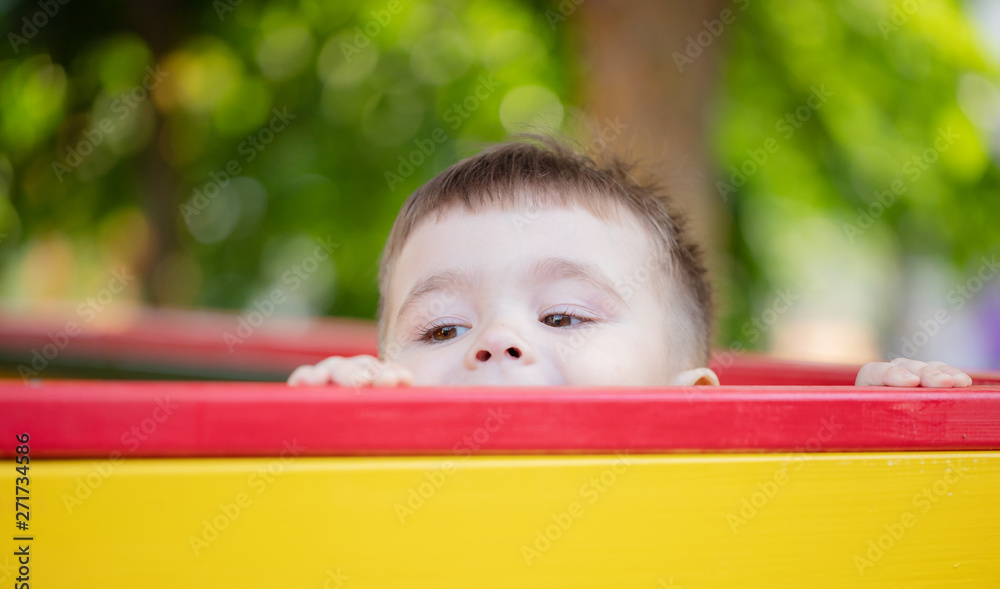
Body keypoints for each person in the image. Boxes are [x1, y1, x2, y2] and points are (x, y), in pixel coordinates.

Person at [287, 138, 972, 389]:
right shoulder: (382, 490)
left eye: (563, 314)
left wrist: (880, 417)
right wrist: (328, 425)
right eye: (441, 330)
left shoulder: (715, 497)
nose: (498, 339)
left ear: (692, 397)